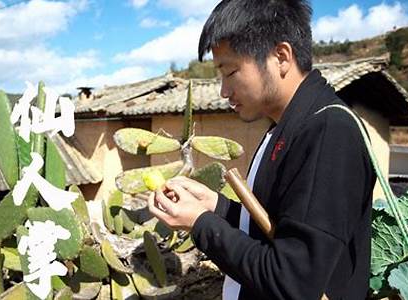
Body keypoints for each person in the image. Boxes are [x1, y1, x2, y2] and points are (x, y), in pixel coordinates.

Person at [147, 0, 376, 299]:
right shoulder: (285, 127)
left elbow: (293, 281)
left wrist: (201, 224)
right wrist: (215, 207)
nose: (223, 91)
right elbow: (278, 229)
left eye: (229, 72)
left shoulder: (329, 133)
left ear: (281, 56)